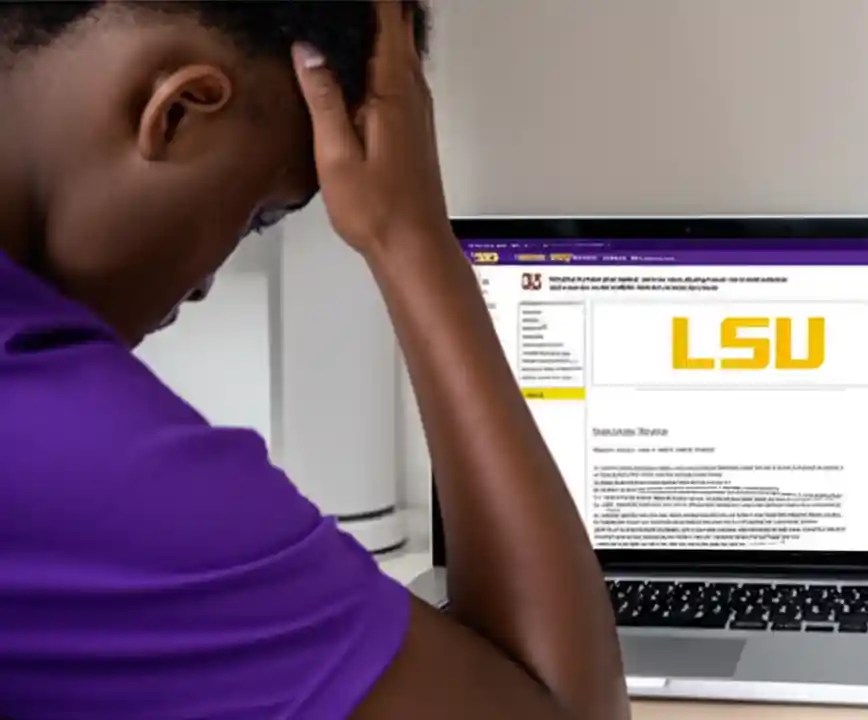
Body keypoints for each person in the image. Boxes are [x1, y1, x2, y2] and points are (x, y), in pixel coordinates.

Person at [0, 1, 628, 718]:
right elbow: (570, 709)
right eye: (261, 216)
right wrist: (410, 234)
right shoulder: (76, 452)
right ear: (179, 111)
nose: (205, 284)